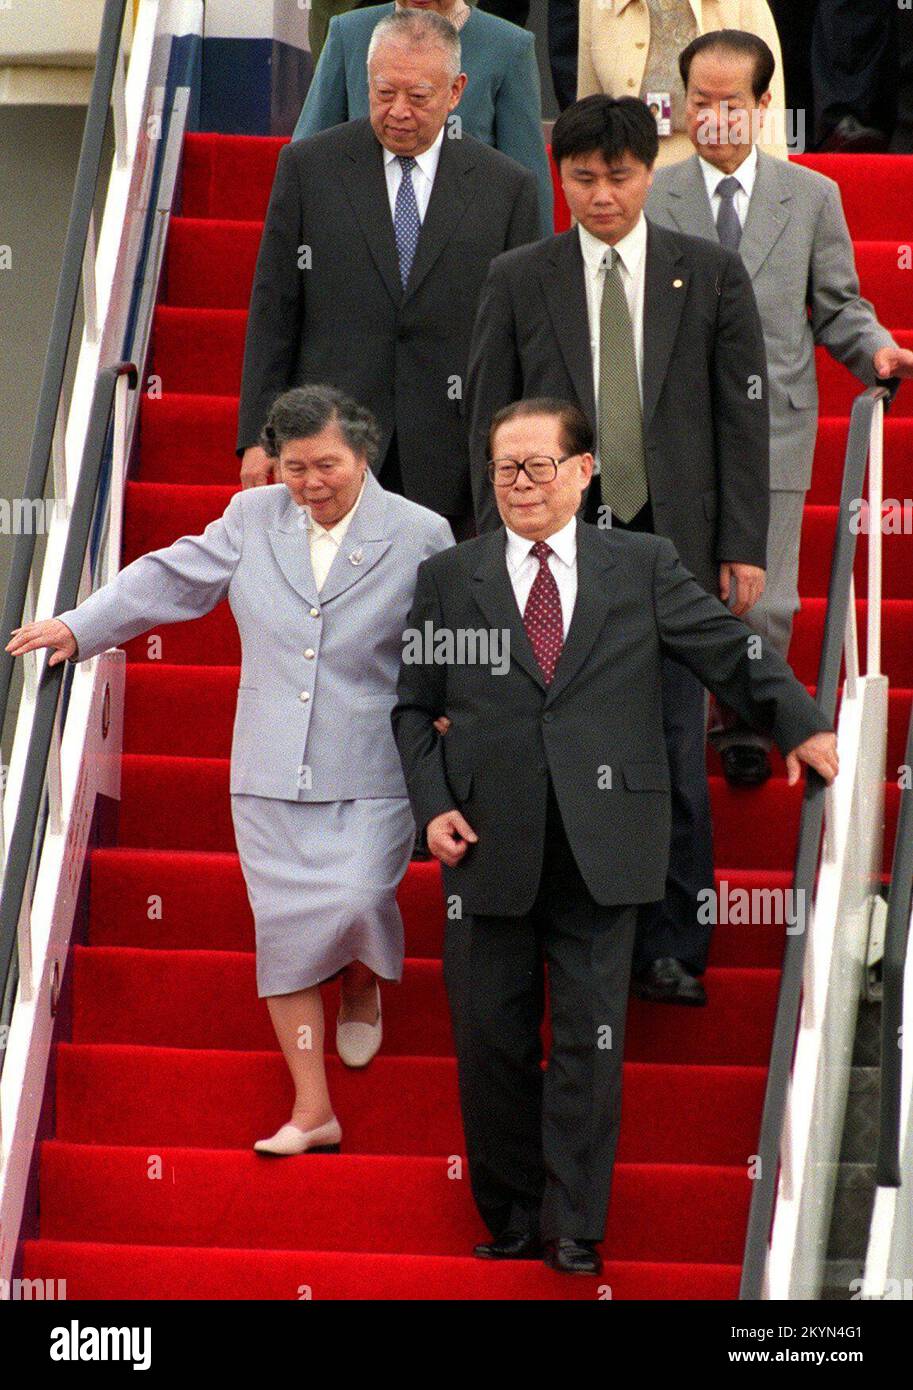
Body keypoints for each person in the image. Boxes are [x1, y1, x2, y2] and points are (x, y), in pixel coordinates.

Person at [392, 397, 838, 1275]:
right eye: (503, 469)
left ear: (584, 472)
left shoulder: (639, 563)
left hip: (608, 843)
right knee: (491, 1042)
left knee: (591, 1046)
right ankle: (513, 1213)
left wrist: (797, 722)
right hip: (485, 843)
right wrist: (431, 804)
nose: (519, 485)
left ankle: (575, 1228)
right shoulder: (453, 576)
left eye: (538, 467)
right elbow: (414, 707)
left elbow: (725, 647)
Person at [7, 386, 454, 1157]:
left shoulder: (419, 533)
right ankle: (312, 1110)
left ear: (362, 456)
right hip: (269, 764)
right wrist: (80, 626)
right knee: (283, 932)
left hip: (374, 761)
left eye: (327, 466)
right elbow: (169, 578)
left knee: (354, 900)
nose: (312, 483)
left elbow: (454, 627)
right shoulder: (252, 519)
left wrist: (456, 706)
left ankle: (358, 979)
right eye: (294, 468)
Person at [466, 94, 770, 1004]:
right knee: (553, 747)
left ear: (653, 171)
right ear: (560, 176)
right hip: (553, 549)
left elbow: (740, 419)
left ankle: (673, 945)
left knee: (676, 746)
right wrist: (492, 552)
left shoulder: (707, 273)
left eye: (621, 176)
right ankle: (560, 934)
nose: (601, 196)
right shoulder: (520, 277)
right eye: (583, 177)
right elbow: (486, 417)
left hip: (670, 549)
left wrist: (743, 545)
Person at [647, 29, 913, 785]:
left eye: (731, 102)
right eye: (700, 101)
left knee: (767, 594)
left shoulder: (810, 196)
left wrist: (875, 353)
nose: (713, 116)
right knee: (681, 580)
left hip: (775, 418)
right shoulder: (654, 192)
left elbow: (837, 306)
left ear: (765, 105)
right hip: (676, 419)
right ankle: (679, 717)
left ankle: (747, 718)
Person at [237, 8, 540, 537]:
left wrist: (525, 448)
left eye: (419, 97)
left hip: (457, 452)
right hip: (333, 445)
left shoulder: (505, 188)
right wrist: (259, 437)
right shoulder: (309, 169)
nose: (398, 112)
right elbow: (275, 309)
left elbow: (527, 334)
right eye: (383, 93)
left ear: (456, 91)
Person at [294, 0, 554, 238]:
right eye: (385, 92)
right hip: (359, 246)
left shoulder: (508, 46)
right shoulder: (349, 32)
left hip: (465, 251)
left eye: (419, 96)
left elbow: (530, 185)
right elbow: (306, 162)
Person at [577, 0, 789, 163]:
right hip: (627, 178)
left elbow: (769, 112)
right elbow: (589, 114)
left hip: (715, 179)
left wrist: (772, 201)